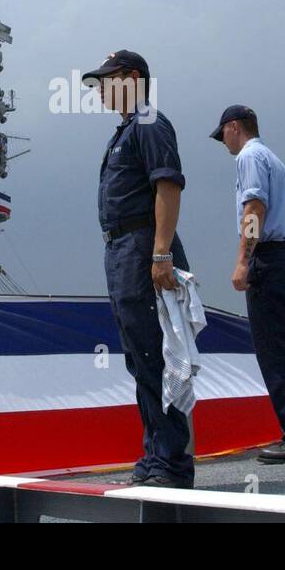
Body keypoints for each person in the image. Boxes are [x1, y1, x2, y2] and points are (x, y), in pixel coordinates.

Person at [83, 50, 195, 487]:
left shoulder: (149, 122)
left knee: (157, 355)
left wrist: (161, 253)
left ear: (132, 78)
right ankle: (155, 456)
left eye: (106, 81)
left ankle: (171, 463)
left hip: (143, 244)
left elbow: (167, 184)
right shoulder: (129, 128)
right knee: (139, 357)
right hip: (123, 250)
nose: (101, 92)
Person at [212, 105, 285, 463]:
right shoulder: (273, 159)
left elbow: (254, 209)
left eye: (223, 135)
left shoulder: (249, 157)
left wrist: (242, 260)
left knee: (277, 354)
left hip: (268, 260)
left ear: (234, 127)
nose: (224, 143)